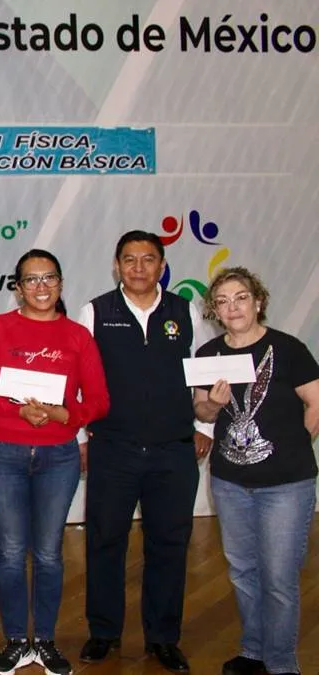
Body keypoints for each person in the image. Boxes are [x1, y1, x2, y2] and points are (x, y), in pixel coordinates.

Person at [0, 249, 109, 675]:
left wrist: (69, 414)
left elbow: (99, 400)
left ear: (61, 284)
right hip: (2, 452)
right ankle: (14, 641)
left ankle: (44, 641)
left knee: (47, 553)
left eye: (49, 278)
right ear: (17, 288)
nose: (41, 287)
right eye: (31, 279)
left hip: (58, 455)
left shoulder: (78, 336)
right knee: (9, 552)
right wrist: (16, 410)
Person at [76, 231, 212, 672]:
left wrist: (204, 424)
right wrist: (81, 437)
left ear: (161, 264)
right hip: (112, 448)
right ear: (117, 266)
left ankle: (163, 636)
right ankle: (103, 632)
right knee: (104, 541)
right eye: (129, 260)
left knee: (170, 544)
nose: (138, 267)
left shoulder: (184, 310)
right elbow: (77, 379)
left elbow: (204, 372)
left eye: (148, 259)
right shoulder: (94, 311)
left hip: (173, 452)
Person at [192, 267, 318, 675]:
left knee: (279, 578)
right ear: (215, 310)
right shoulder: (207, 356)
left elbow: (316, 402)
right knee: (244, 571)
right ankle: (254, 652)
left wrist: (297, 445)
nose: (233, 307)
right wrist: (213, 402)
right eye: (223, 301)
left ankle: (281, 664)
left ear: (258, 301)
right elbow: (202, 411)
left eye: (241, 297)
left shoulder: (288, 349)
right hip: (230, 484)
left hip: (286, 486)